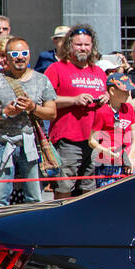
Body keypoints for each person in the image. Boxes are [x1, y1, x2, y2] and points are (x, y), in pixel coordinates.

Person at [0, 37, 57, 207]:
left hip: (31, 144)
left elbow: (51, 113)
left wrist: (32, 107)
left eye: (24, 53)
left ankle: (34, 231)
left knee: (35, 196)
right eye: (15, 53)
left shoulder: (41, 79)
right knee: (0, 198)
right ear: (6, 57)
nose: (20, 57)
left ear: (29, 55)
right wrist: (4, 112)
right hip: (3, 144)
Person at [44, 25, 106, 200]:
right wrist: (74, 100)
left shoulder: (99, 72)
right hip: (67, 139)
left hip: (95, 140)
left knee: (90, 186)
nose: (83, 48)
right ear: (69, 46)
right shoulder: (56, 68)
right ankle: (61, 224)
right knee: (65, 185)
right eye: (78, 44)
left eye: (87, 44)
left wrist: (107, 97)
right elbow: (45, 101)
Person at [90, 72, 135, 187]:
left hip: (127, 162)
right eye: (125, 91)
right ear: (112, 91)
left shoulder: (129, 108)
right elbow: (92, 140)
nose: (128, 94)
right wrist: (105, 151)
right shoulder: (102, 112)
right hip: (108, 164)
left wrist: (132, 156)